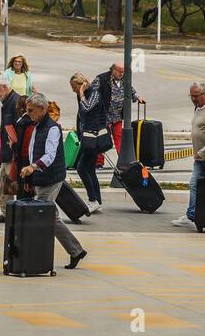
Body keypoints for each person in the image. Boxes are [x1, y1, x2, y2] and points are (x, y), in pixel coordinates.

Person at [19, 93, 87, 270]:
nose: (28, 114)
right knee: (50, 217)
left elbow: (49, 156)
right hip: (41, 178)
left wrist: (32, 168)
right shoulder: (37, 126)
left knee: (43, 215)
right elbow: (34, 152)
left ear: (42, 109)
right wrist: (30, 177)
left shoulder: (52, 129)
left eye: (31, 111)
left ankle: (36, 254)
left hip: (51, 179)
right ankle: (76, 251)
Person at [172, 82, 205, 228]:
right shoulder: (197, 108)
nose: (193, 99)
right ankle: (191, 214)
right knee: (194, 185)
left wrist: (202, 152)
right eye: (191, 96)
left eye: (196, 96)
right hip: (200, 159)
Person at [69, 72, 106, 214]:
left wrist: (82, 95)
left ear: (81, 84)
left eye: (74, 86)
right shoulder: (81, 94)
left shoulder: (93, 93)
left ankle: (93, 200)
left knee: (82, 168)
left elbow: (86, 109)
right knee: (90, 169)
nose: (73, 90)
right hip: (88, 137)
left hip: (93, 137)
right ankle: (97, 201)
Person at [94, 61, 143, 159]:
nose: (121, 74)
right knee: (102, 138)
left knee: (119, 137)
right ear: (113, 70)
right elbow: (92, 92)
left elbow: (131, 90)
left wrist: (138, 97)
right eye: (120, 71)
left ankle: (122, 159)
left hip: (117, 115)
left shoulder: (124, 79)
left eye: (123, 72)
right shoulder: (102, 78)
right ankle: (99, 162)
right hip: (104, 115)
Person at [0, 78, 19, 222]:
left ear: (5, 87)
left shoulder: (15, 103)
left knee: (8, 185)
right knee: (5, 185)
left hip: (12, 154)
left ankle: (10, 214)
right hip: (7, 153)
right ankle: (7, 213)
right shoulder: (8, 102)